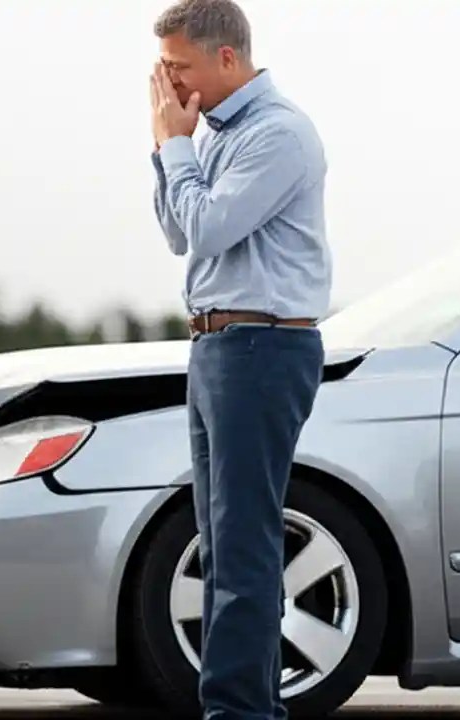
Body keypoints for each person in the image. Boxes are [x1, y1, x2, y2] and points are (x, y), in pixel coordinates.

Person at [149, 1, 331, 718]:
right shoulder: (210, 133)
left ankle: (239, 712)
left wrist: (174, 146)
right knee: (222, 545)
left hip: (262, 345)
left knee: (246, 545)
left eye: (179, 67)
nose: (168, 85)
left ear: (227, 59)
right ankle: (247, 707)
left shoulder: (278, 134)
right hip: (219, 346)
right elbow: (176, 230)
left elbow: (210, 227)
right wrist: (168, 142)